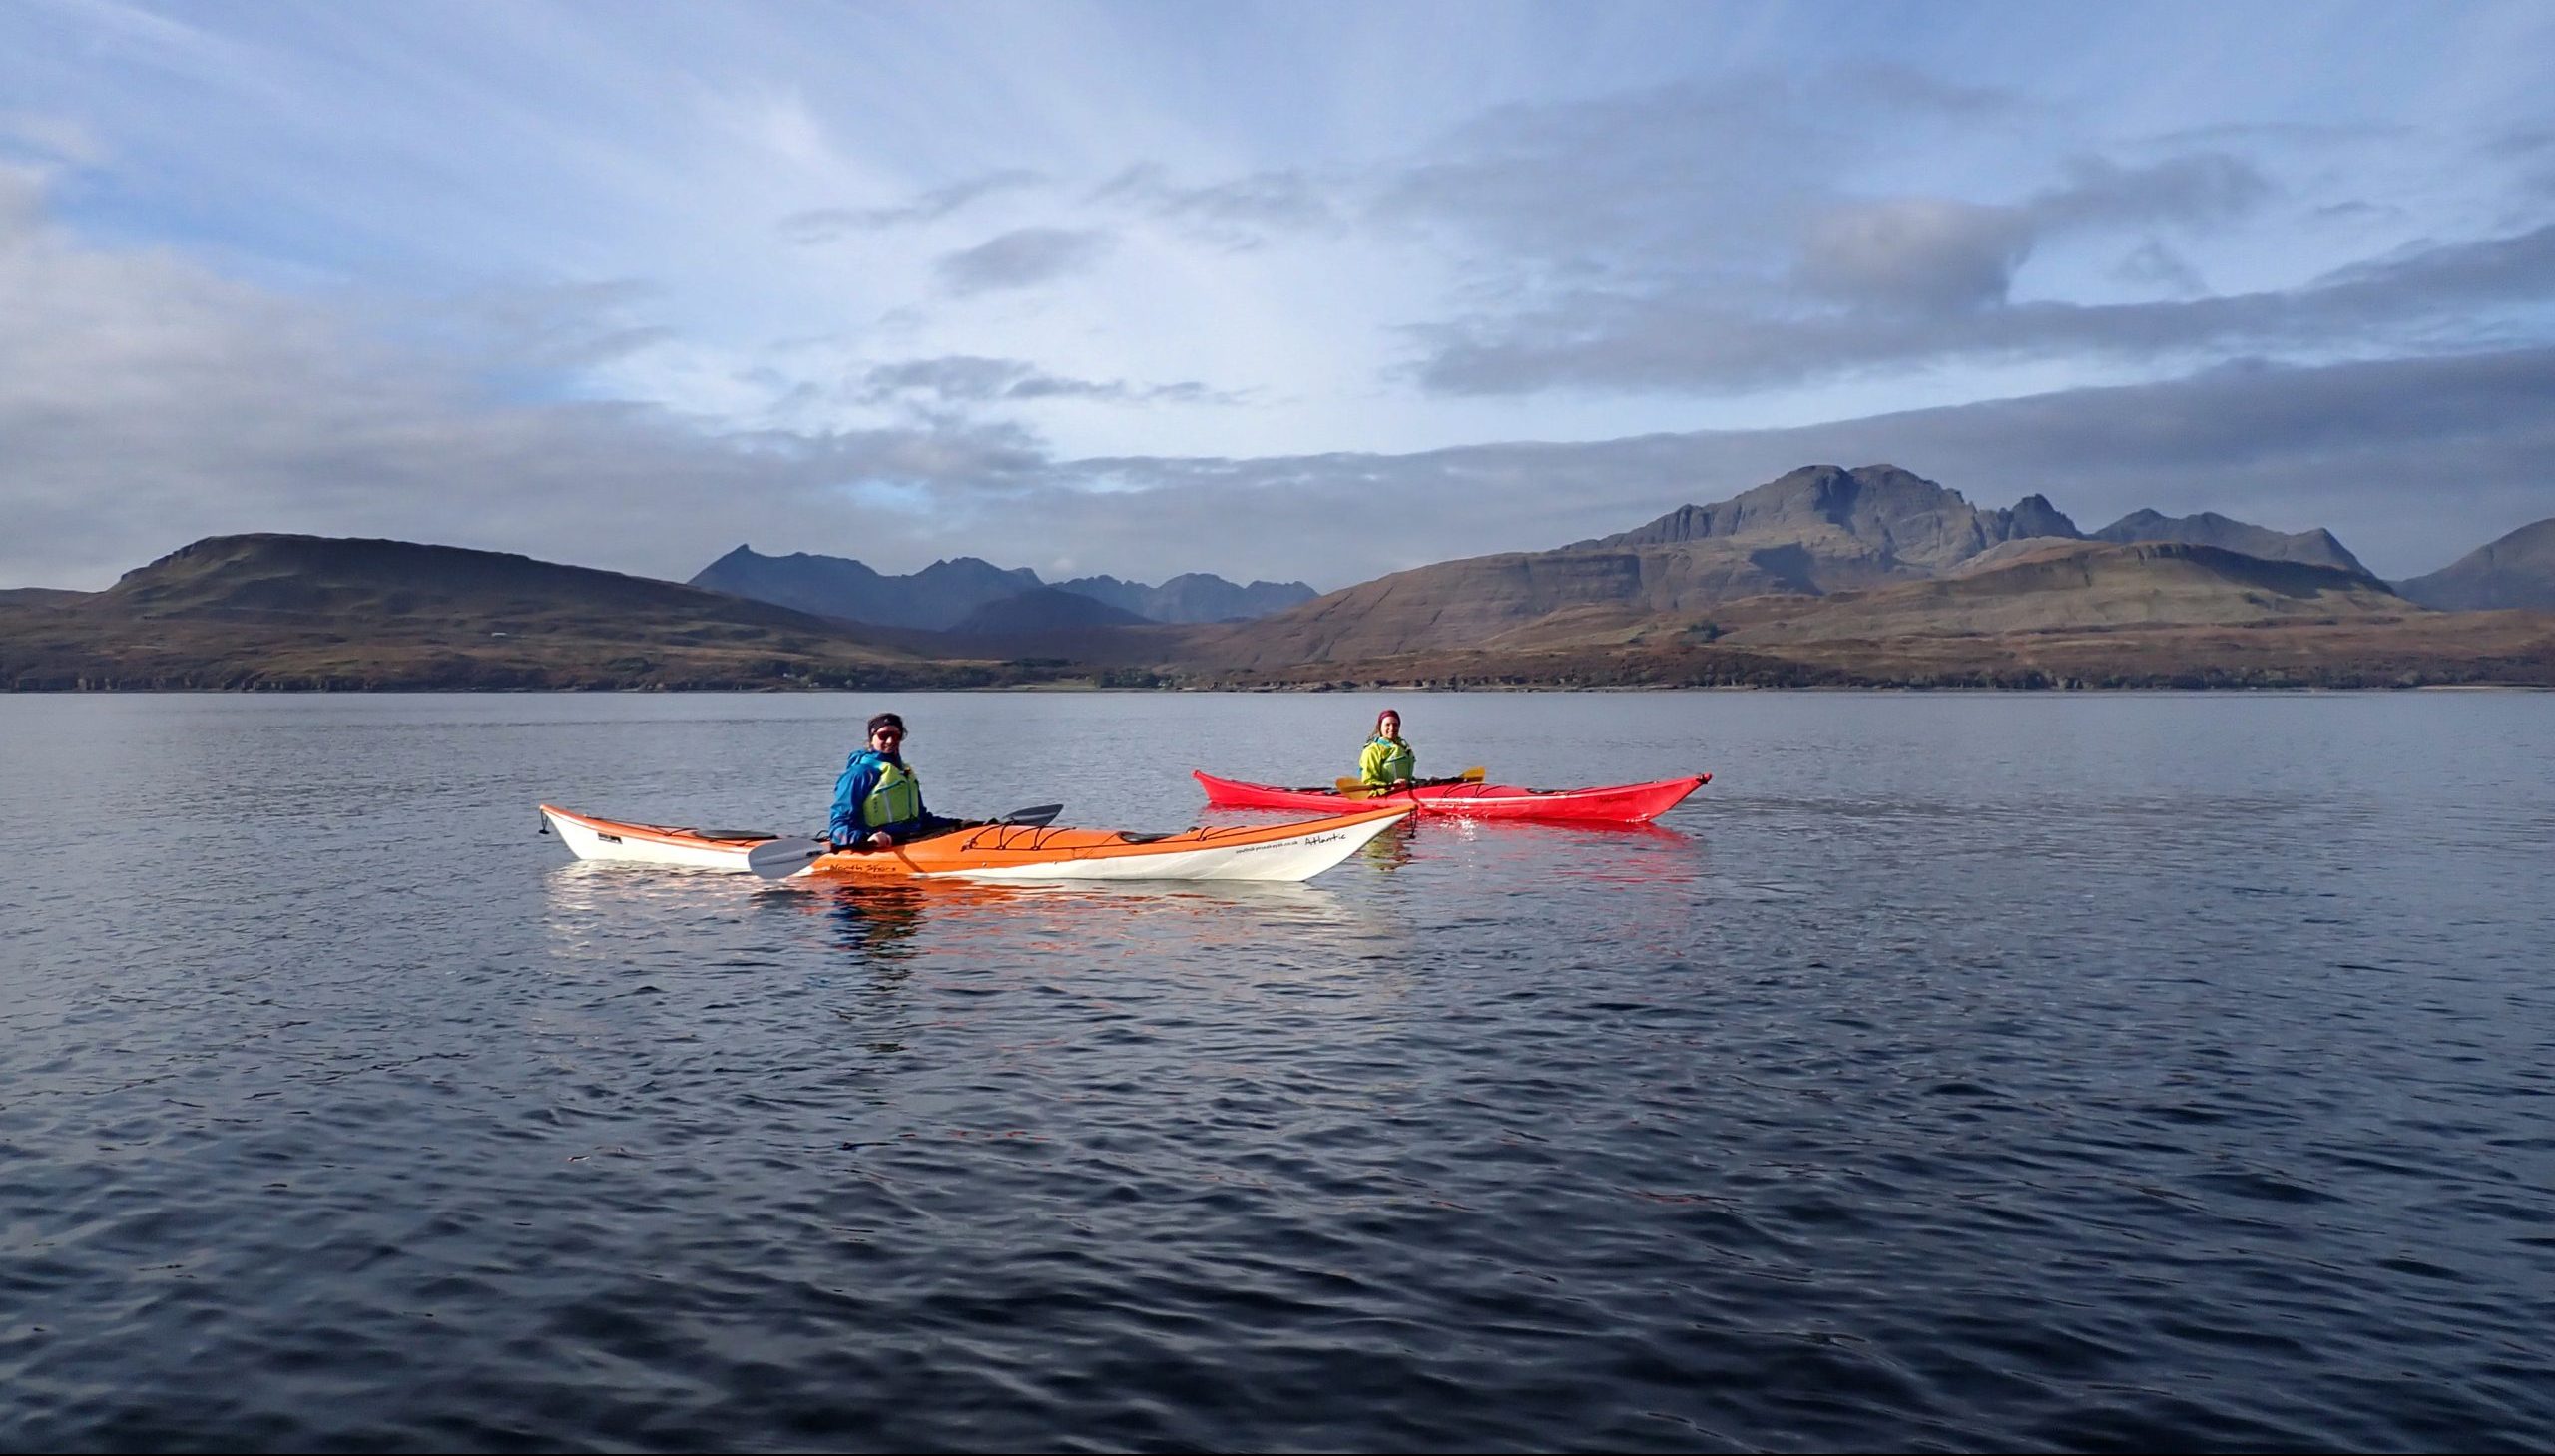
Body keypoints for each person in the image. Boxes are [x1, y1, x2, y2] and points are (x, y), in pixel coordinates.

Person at [828, 712, 953, 849]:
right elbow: (838, 827)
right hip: (876, 844)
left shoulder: (904, 772)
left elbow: (922, 819)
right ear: (872, 738)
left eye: (895, 736)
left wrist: (958, 824)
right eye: (883, 735)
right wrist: (864, 838)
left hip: (912, 839)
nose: (890, 741)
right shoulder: (860, 774)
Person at [1357, 708, 1416, 791]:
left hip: (1403, 792)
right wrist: (1391, 786)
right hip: (1384, 795)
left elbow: (1406, 777)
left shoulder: (1403, 747)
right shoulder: (1372, 750)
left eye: (1395, 725)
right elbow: (1368, 782)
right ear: (1380, 727)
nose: (1392, 728)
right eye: (1387, 724)